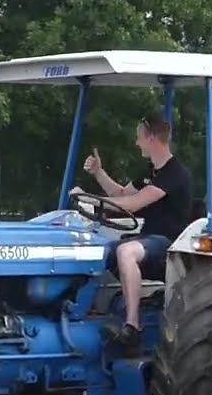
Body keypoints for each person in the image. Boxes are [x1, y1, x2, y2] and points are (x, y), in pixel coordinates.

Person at [76, 113, 193, 357]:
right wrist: (98, 173)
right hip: (149, 240)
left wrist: (89, 199)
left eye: (139, 137)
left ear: (151, 138)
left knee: (125, 251)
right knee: (100, 250)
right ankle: (84, 313)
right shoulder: (150, 171)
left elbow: (132, 204)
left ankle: (132, 327)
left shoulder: (175, 173)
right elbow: (120, 194)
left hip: (168, 245)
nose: (136, 143)